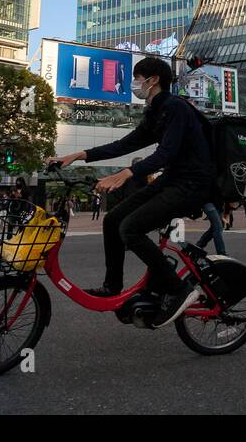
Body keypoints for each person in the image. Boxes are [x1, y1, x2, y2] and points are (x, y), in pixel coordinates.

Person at [52, 56, 213, 326]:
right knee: (113, 219)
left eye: (138, 79)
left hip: (192, 184)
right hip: (172, 180)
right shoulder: (156, 112)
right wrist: (78, 155)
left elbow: (166, 153)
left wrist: (127, 173)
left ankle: (178, 289)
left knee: (131, 229)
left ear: (154, 80)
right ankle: (112, 286)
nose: (135, 84)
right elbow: (124, 144)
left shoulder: (176, 108)